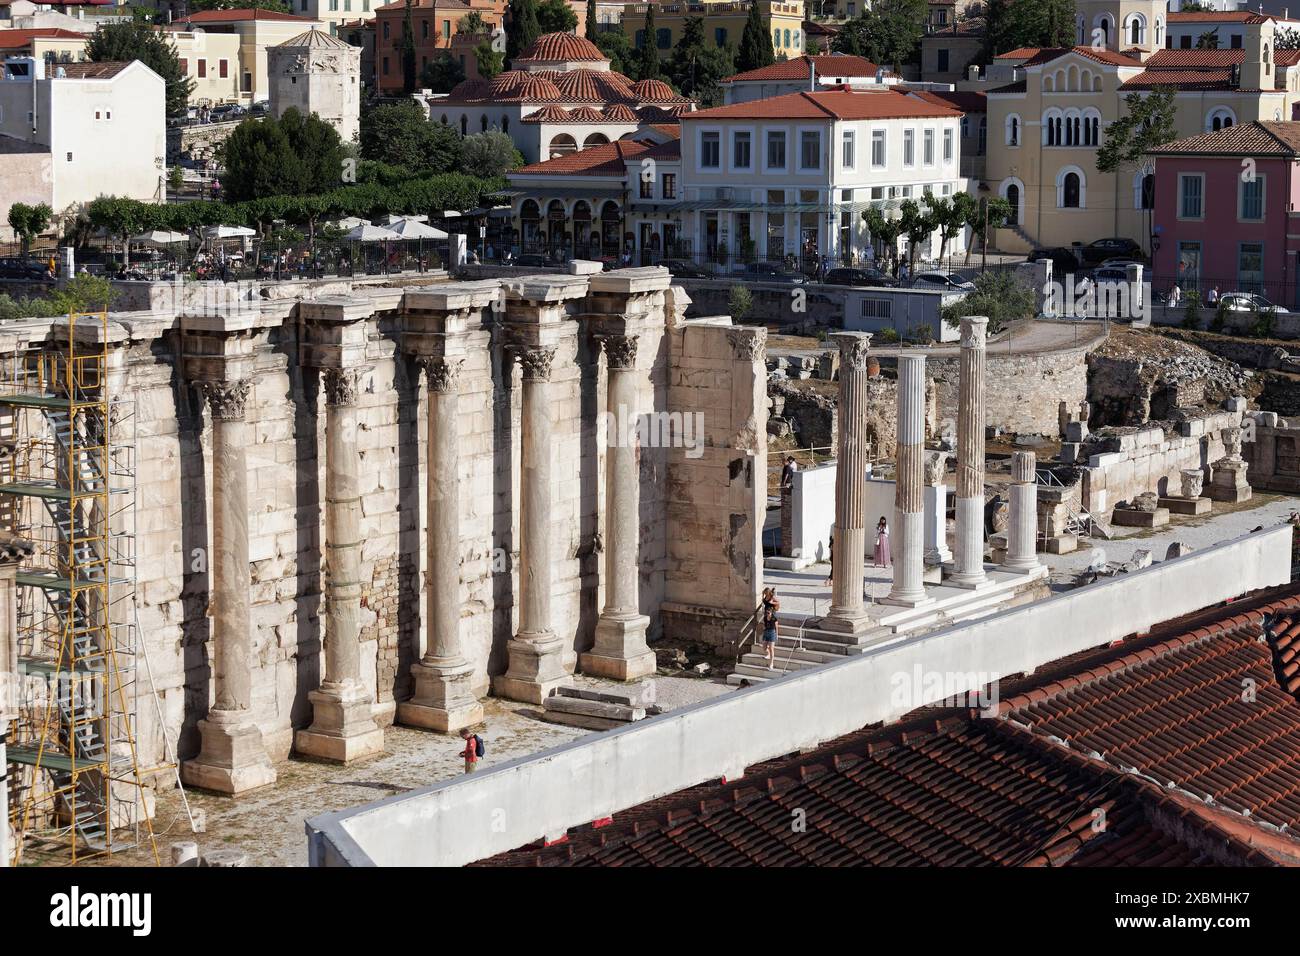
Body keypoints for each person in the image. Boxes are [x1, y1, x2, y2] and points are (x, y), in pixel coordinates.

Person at [759, 587, 780, 670]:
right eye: (764, 593)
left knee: (771, 648)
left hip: (772, 613)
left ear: (768, 593)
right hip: (767, 615)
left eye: (765, 593)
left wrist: (772, 602)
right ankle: (768, 654)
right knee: (764, 647)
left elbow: (778, 602)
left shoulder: (771, 598)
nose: (764, 594)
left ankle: (771, 663)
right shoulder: (765, 597)